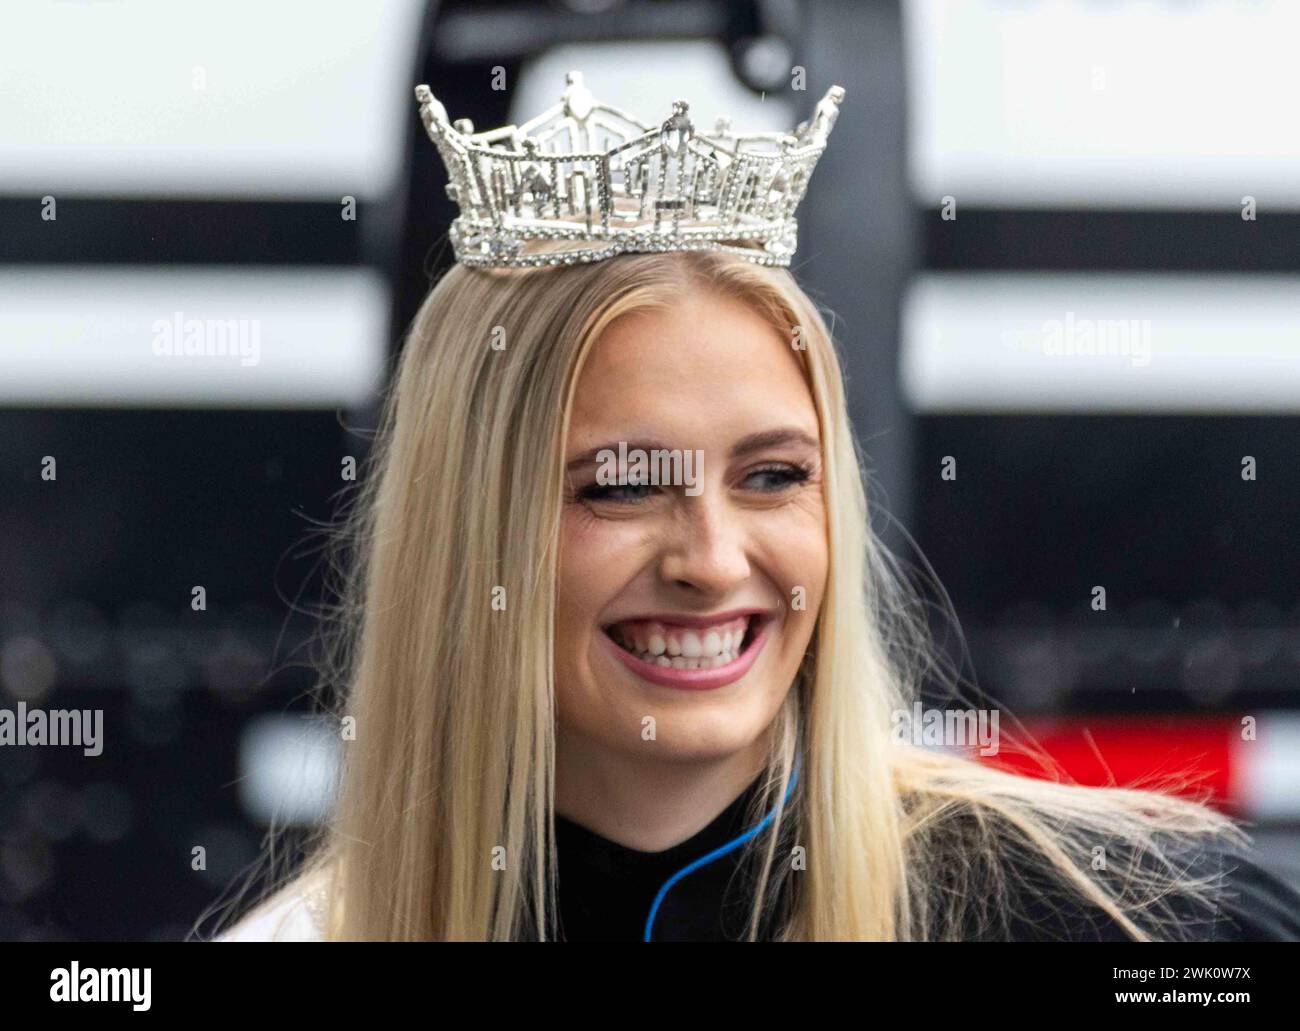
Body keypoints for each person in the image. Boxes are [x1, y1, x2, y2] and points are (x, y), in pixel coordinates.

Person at [206, 72, 1300, 942]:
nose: (714, 559)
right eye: (622, 485)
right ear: (467, 529)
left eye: (772, 475)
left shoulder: (1145, 919)